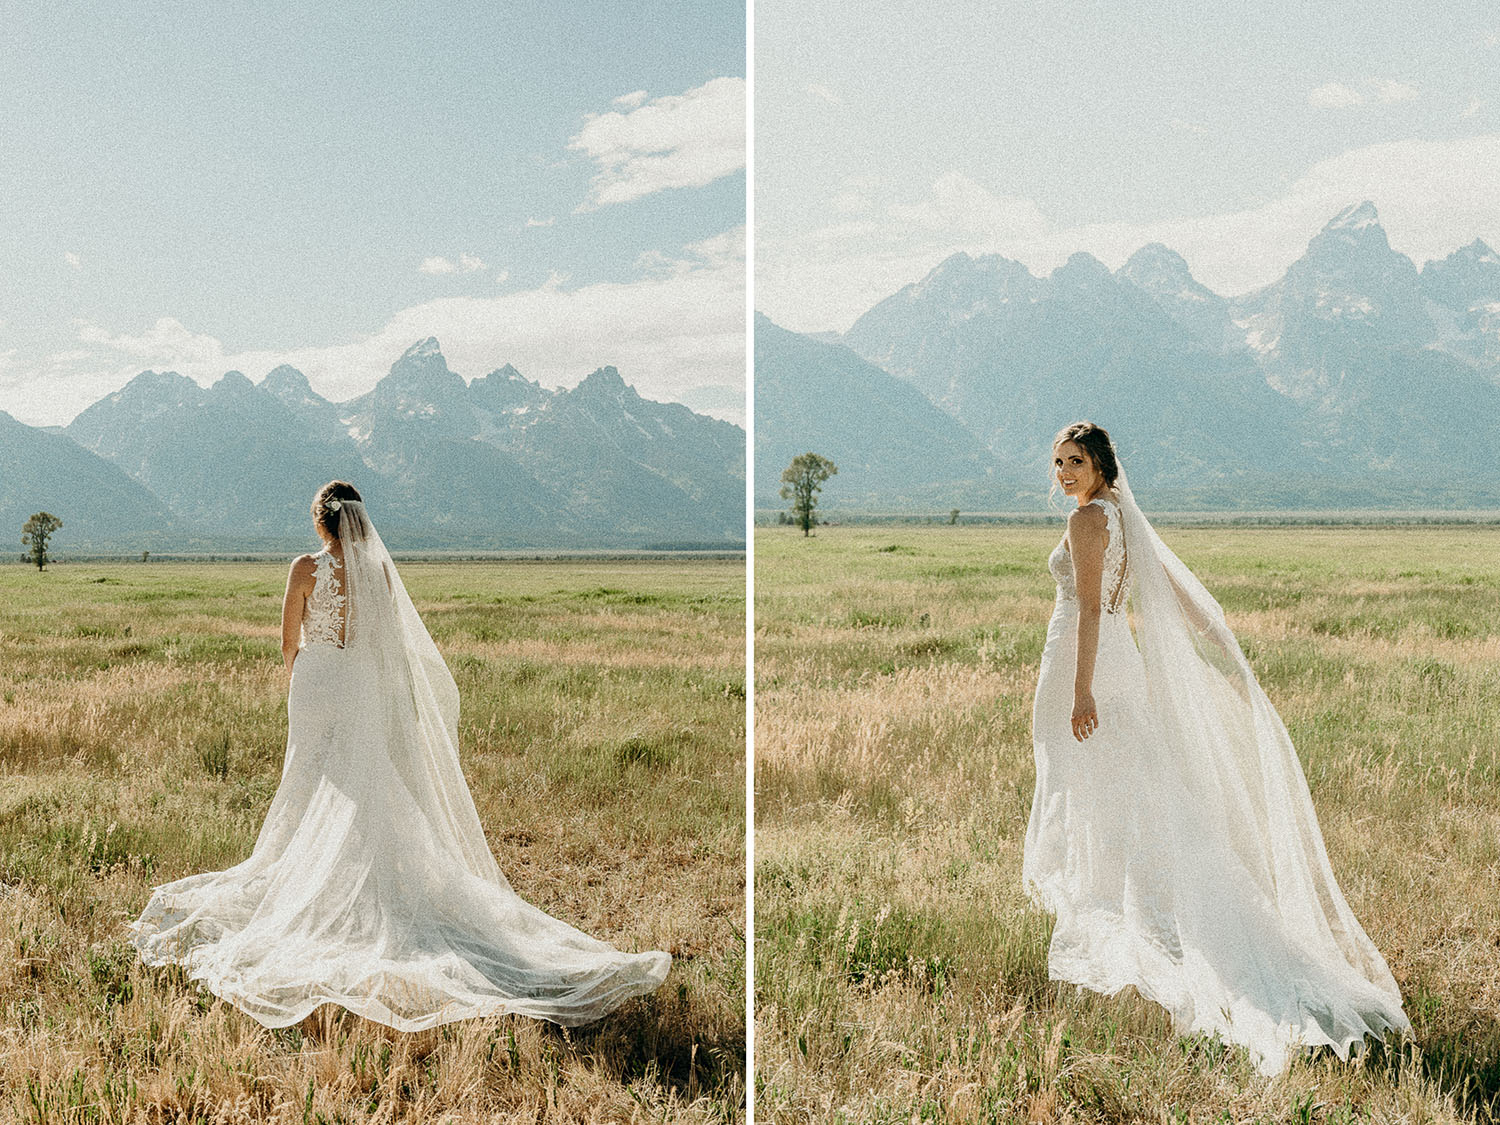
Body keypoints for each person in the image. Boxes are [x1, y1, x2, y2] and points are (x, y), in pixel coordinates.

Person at [130, 481, 670, 1030]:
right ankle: (363, 881)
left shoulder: (303, 568)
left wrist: (301, 680)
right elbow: (387, 648)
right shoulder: (379, 573)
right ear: (359, 521)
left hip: (316, 682)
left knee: (310, 782)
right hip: (360, 685)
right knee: (365, 783)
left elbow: (289, 642)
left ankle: (315, 885)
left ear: (321, 522)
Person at [1022, 423, 1408, 1074]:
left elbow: (1088, 607)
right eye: (1057, 461)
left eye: (1075, 461)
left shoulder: (1089, 520)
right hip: (1121, 660)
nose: (1063, 472)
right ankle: (1139, 893)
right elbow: (1165, 590)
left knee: (1097, 789)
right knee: (1135, 789)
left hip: (1088, 665)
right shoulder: (1120, 512)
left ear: (1100, 465)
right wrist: (1219, 640)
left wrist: (1081, 691)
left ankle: (1132, 909)